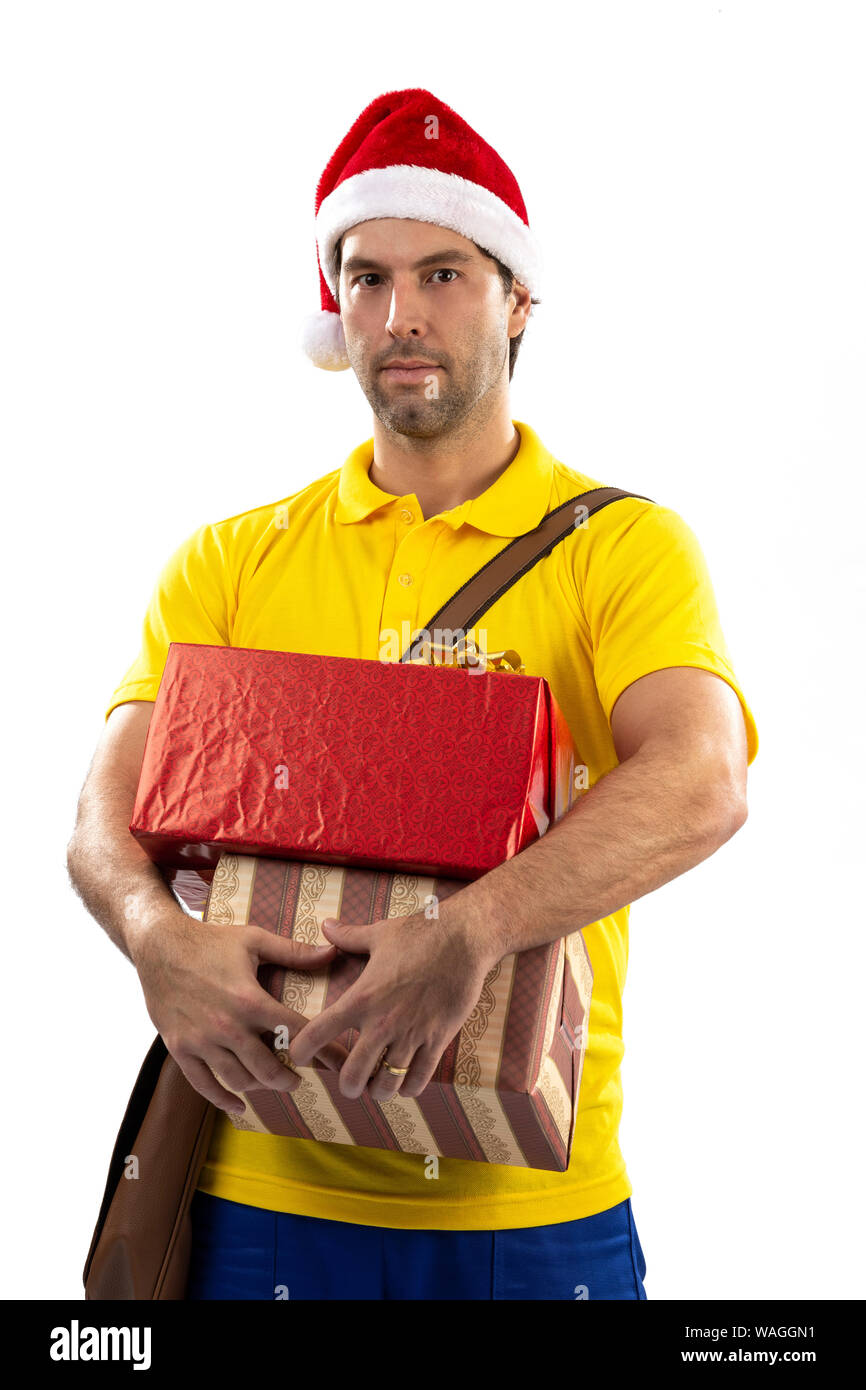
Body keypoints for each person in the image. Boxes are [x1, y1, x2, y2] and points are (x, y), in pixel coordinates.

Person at [67, 87, 758, 1301]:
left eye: (444, 274)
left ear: (518, 299)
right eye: (367, 277)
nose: (401, 315)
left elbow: (702, 778)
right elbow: (101, 819)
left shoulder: (621, 549)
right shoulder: (233, 561)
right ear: (334, 304)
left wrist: (472, 931)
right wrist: (153, 936)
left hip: (534, 1203)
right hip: (266, 1193)